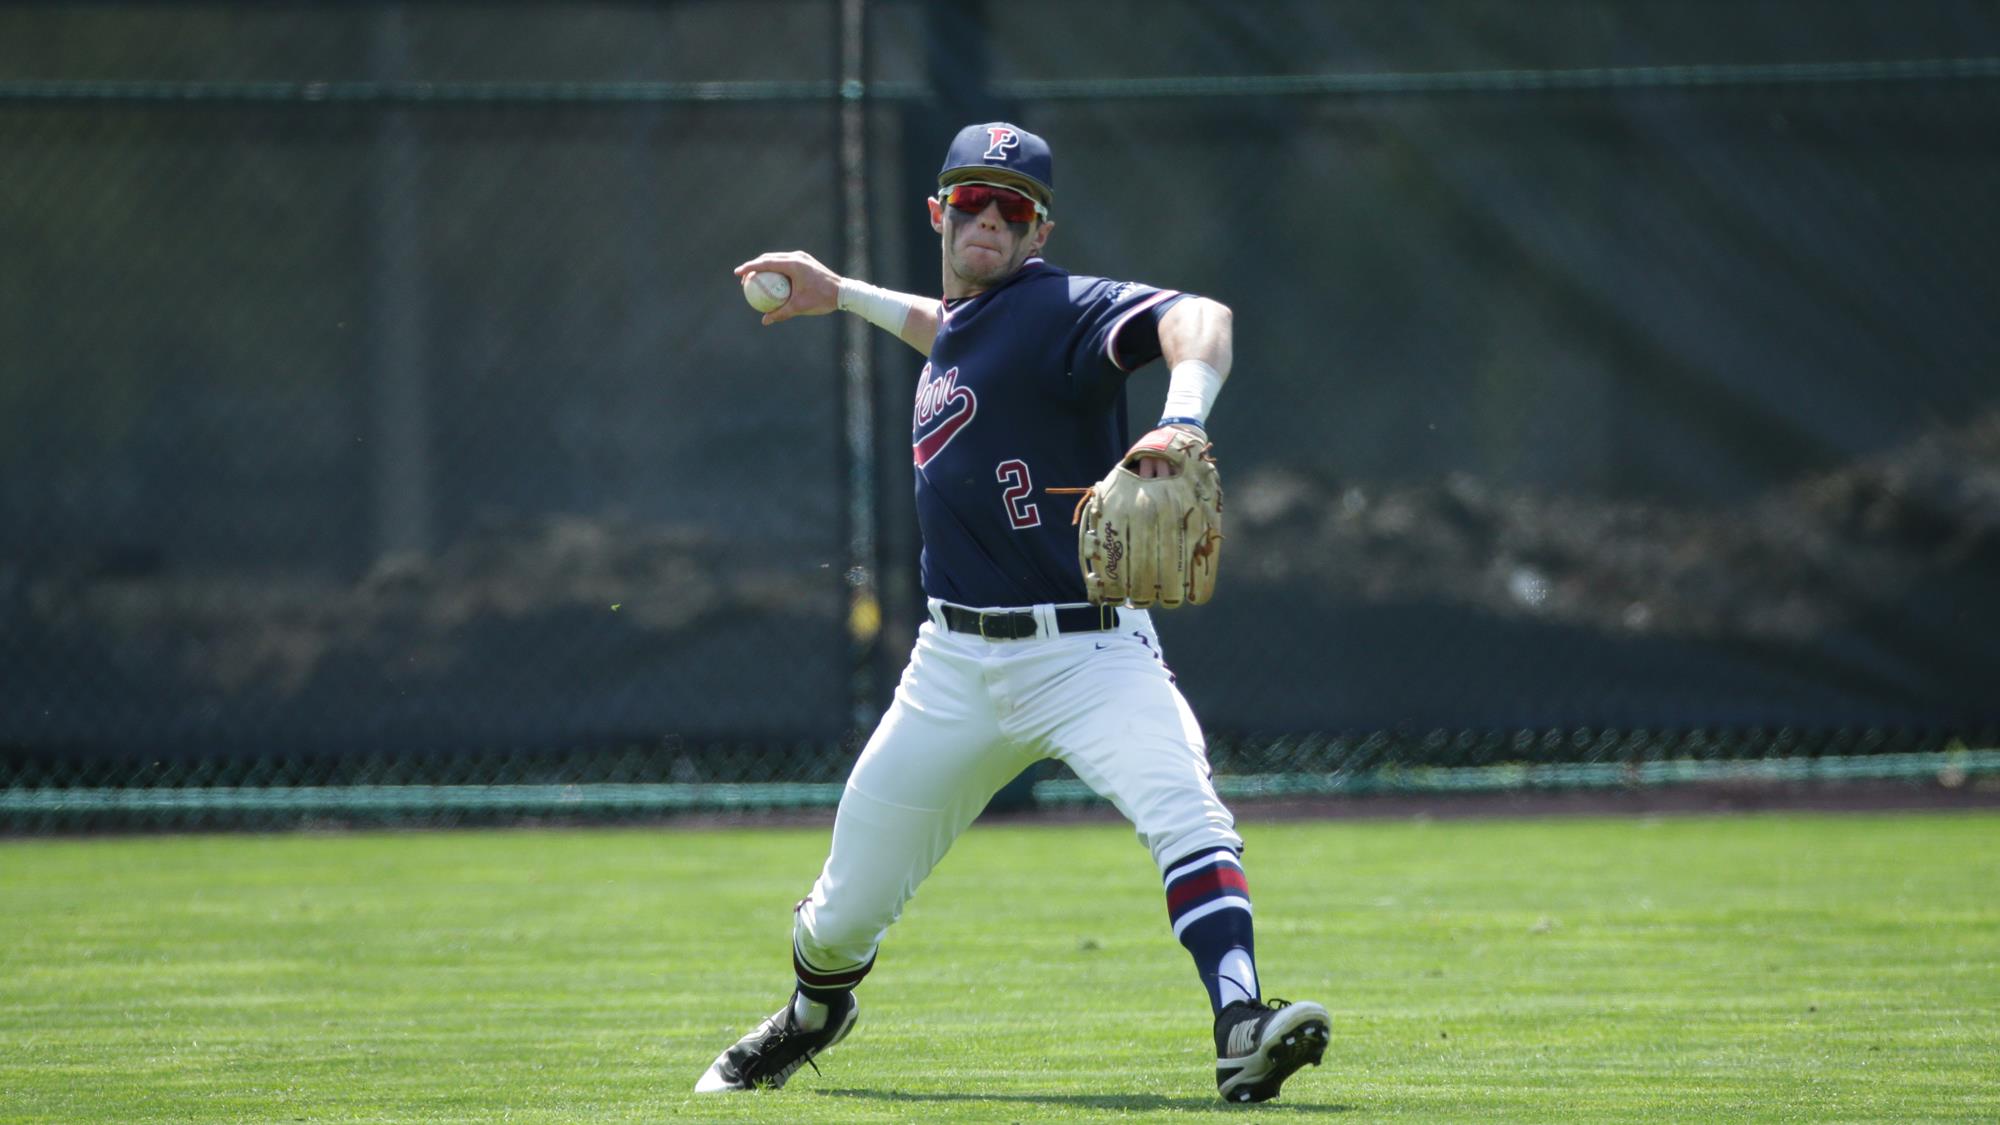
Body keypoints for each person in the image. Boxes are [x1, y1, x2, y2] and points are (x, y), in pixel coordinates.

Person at [701, 122, 1328, 1104]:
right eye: (970, 202)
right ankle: (813, 1017)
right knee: (836, 916)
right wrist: (842, 293)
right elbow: (946, 329)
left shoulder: (1060, 310)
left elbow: (1198, 314)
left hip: (1090, 658)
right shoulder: (972, 324)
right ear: (937, 214)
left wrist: (1182, 414)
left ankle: (1240, 1023)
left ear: (1038, 231)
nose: (988, 220)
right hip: (950, 668)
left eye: (1011, 209)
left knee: (1187, 816)